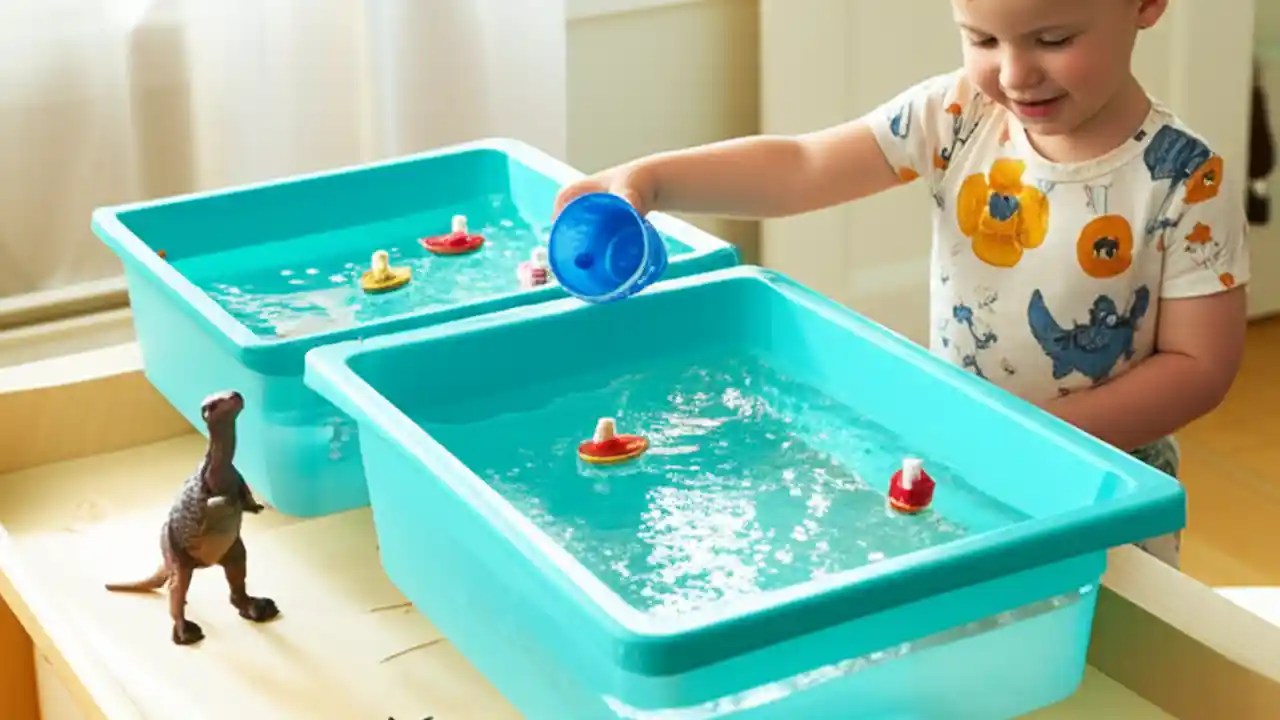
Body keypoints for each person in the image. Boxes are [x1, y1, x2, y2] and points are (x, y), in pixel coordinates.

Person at [551, 0, 1250, 569]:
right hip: (958, 457)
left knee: (1111, 659)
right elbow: (802, 166)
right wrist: (653, 180)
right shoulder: (957, 115)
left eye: (1054, 39)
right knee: (978, 634)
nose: (1013, 75)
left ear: (1146, 4)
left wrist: (1038, 440)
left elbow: (1199, 367)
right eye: (980, 38)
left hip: (1105, 479)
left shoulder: (1187, 177)